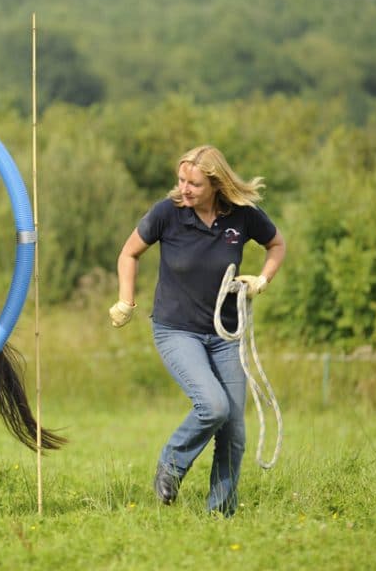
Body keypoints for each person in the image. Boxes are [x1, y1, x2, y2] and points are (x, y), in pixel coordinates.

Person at [109, 145, 286, 516]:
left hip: (226, 335)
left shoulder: (242, 215)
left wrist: (262, 279)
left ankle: (220, 514)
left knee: (234, 430)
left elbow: (276, 244)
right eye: (181, 180)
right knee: (213, 406)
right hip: (177, 330)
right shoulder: (167, 213)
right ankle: (171, 465)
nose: (184, 189)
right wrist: (126, 300)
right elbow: (129, 253)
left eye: (194, 184)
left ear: (216, 184)